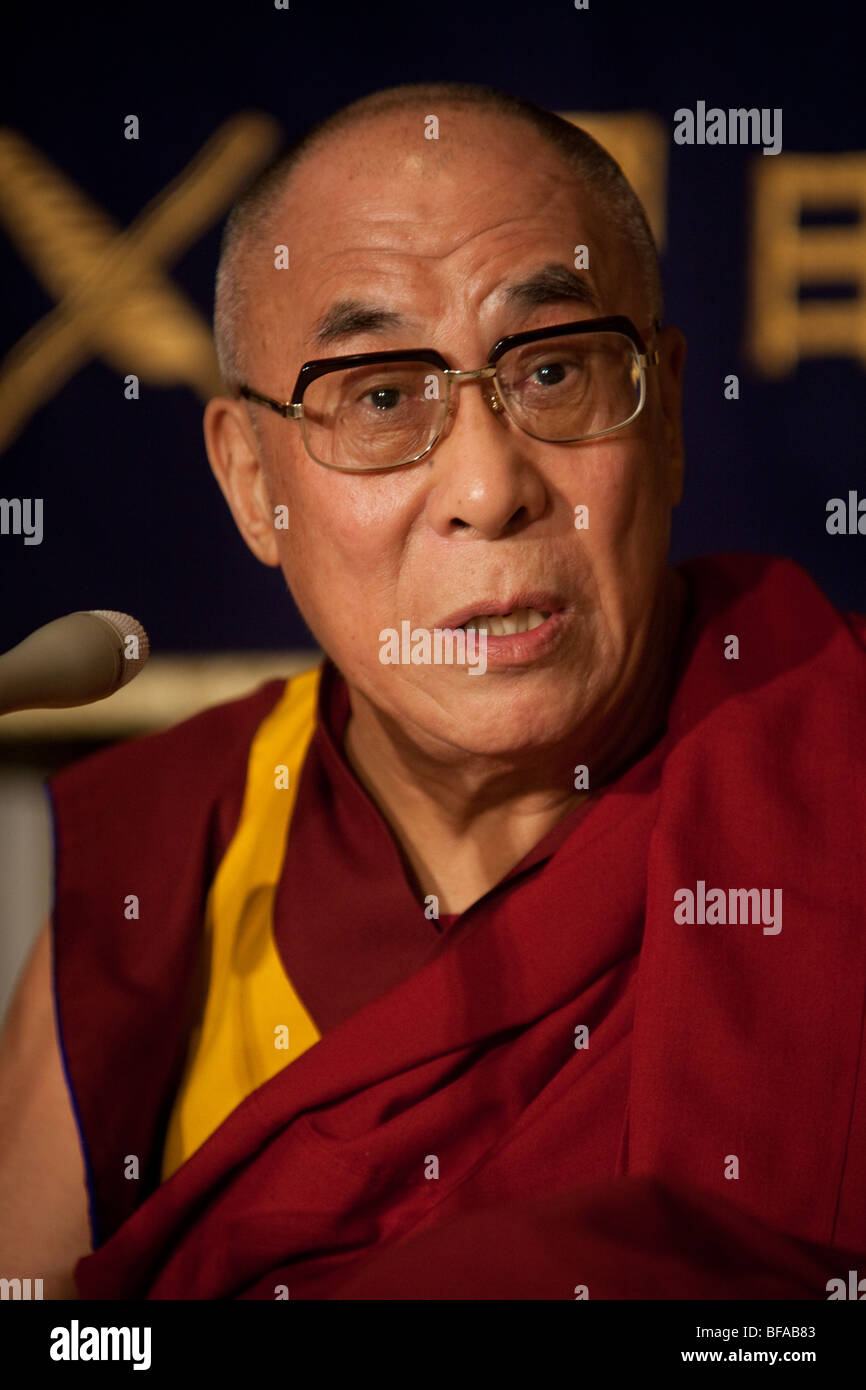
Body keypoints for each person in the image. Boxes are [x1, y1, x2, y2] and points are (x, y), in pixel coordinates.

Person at [1, 81, 865, 1301]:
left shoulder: (835, 763)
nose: (486, 483)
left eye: (555, 370)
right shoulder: (170, 876)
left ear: (666, 414)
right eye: (381, 396)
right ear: (254, 484)